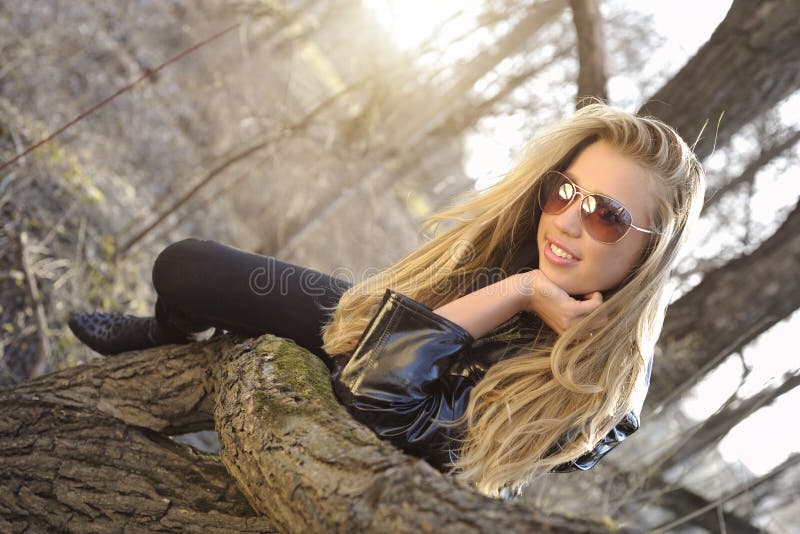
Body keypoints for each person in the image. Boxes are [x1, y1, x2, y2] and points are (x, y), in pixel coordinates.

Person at [68, 103, 706, 499]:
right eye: (564, 192)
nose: (567, 221)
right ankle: (163, 334)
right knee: (188, 267)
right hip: (390, 339)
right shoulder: (523, 243)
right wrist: (516, 284)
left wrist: (520, 293)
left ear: (651, 253)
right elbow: (379, 328)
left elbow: (377, 398)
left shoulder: (594, 394)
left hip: (395, 397)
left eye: (608, 216)